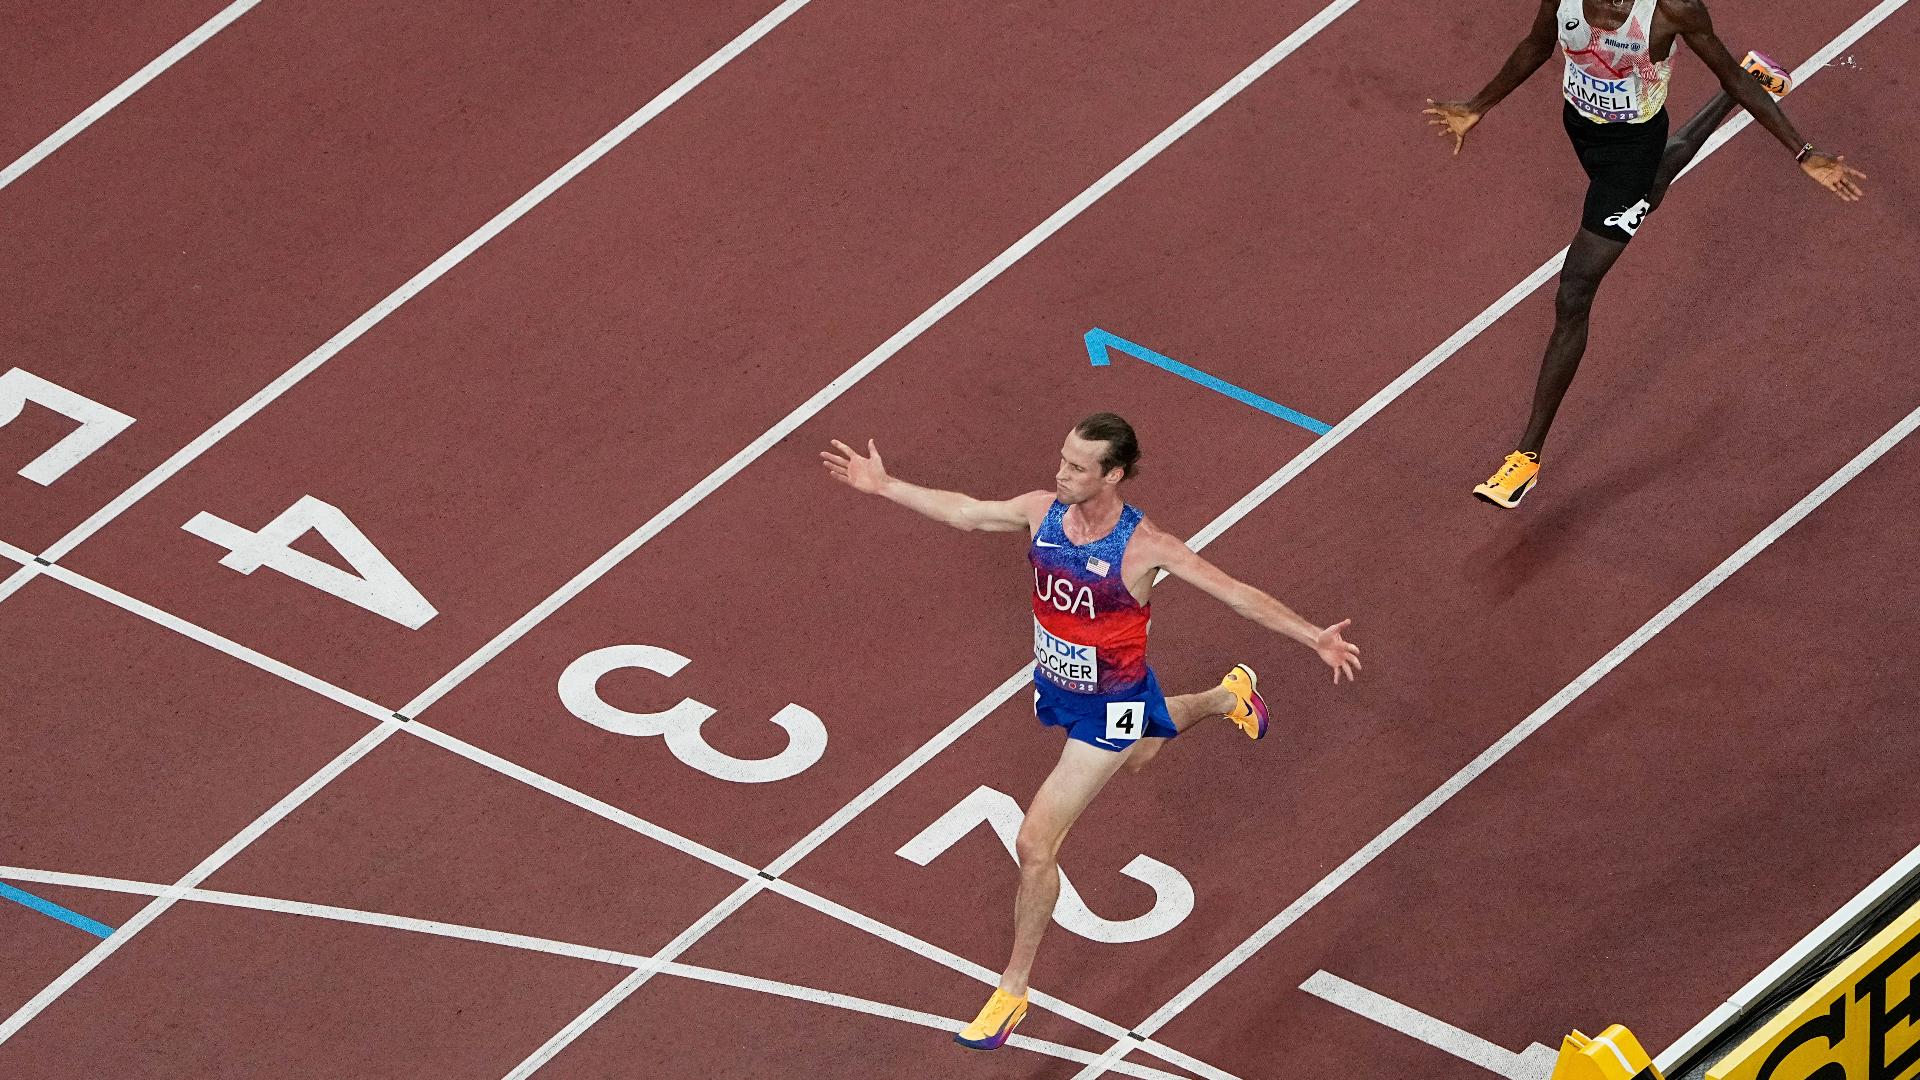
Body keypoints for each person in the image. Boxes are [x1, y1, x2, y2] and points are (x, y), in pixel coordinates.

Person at [820, 412, 1361, 1050]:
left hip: (1112, 706)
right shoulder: (1039, 511)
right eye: (1063, 459)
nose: (1062, 472)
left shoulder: (1146, 547)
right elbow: (967, 512)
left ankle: (1011, 991)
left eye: (1078, 466)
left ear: (1115, 475)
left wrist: (1311, 636)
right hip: (1059, 688)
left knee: (1035, 842)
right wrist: (886, 488)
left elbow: (1236, 594)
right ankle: (1223, 697)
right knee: (1139, 762)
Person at [1424, 0, 1867, 507]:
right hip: (1583, 131)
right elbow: (1536, 44)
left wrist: (1803, 152)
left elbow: (1727, 76)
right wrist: (1477, 105)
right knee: (1651, 191)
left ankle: (1524, 460)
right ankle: (1747, 84)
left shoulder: (1672, 10)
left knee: (1574, 293)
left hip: (1633, 148)